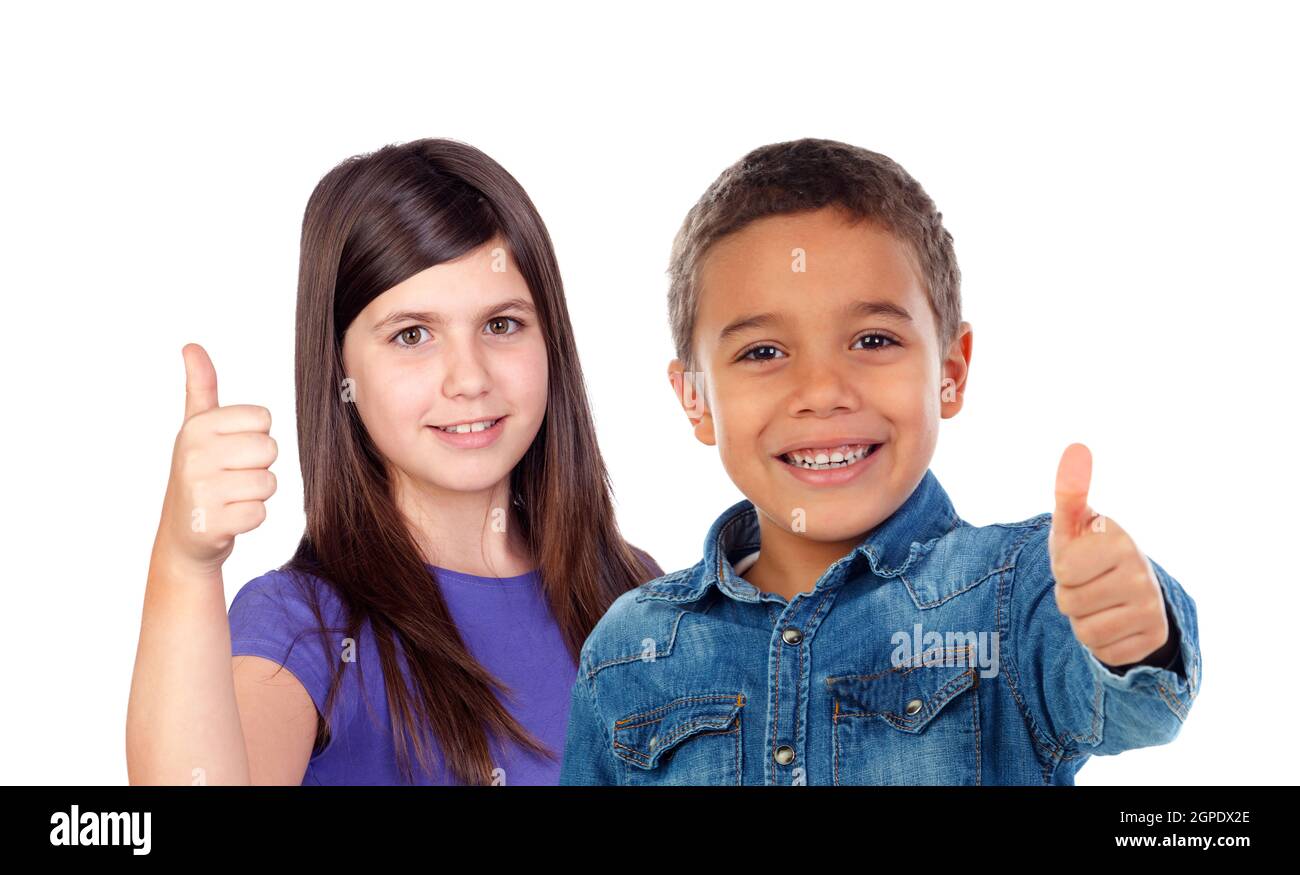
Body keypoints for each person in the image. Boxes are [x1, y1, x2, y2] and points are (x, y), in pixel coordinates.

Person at [559, 137, 1199, 785]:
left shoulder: (1019, 590)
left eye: (872, 339)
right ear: (695, 398)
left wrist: (1132, 632)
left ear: (950, 371)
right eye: (763, 352)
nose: (822, 391)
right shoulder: (628, 651)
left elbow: (1140, 706)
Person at [127, 138, 662, 785]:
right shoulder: (305, 626)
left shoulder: (635, 592)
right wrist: (185, 566)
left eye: (501, 324)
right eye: (413, 334)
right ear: (339, 369)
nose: (468, 378)